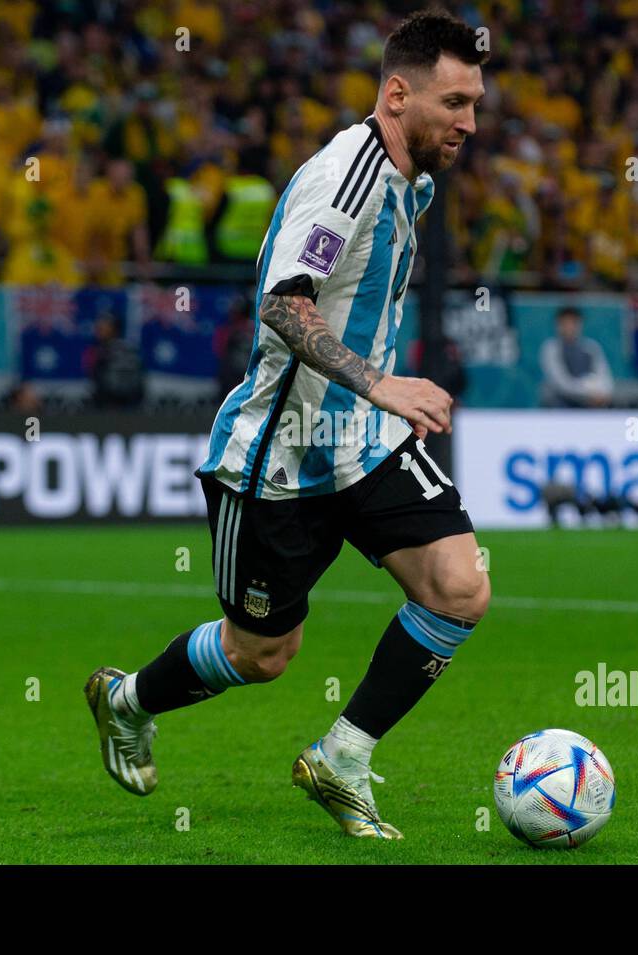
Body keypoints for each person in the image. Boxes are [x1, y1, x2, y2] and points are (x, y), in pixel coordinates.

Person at [83, 10, 491, 840]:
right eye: (454, 102)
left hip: (365, 445)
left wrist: (374, 403)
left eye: (475, 103)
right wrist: (381, 382)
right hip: (278, 456)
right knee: (263, 654)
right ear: (397, 92)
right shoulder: (348, 176)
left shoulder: (415, 176)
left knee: (460, 587)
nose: (469, 123)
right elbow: (281, 303)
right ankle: (126, 698)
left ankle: (343, 756)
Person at [539, 307, 613, 407]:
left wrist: (602, 393)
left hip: (590, 402)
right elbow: (561, 383)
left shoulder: (591, 347)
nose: (569, 327)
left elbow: (604, 376)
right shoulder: (551, 348)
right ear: (558, 325)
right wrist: (588, 393)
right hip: (561, 404)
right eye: (565, 324)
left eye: (573, 323)